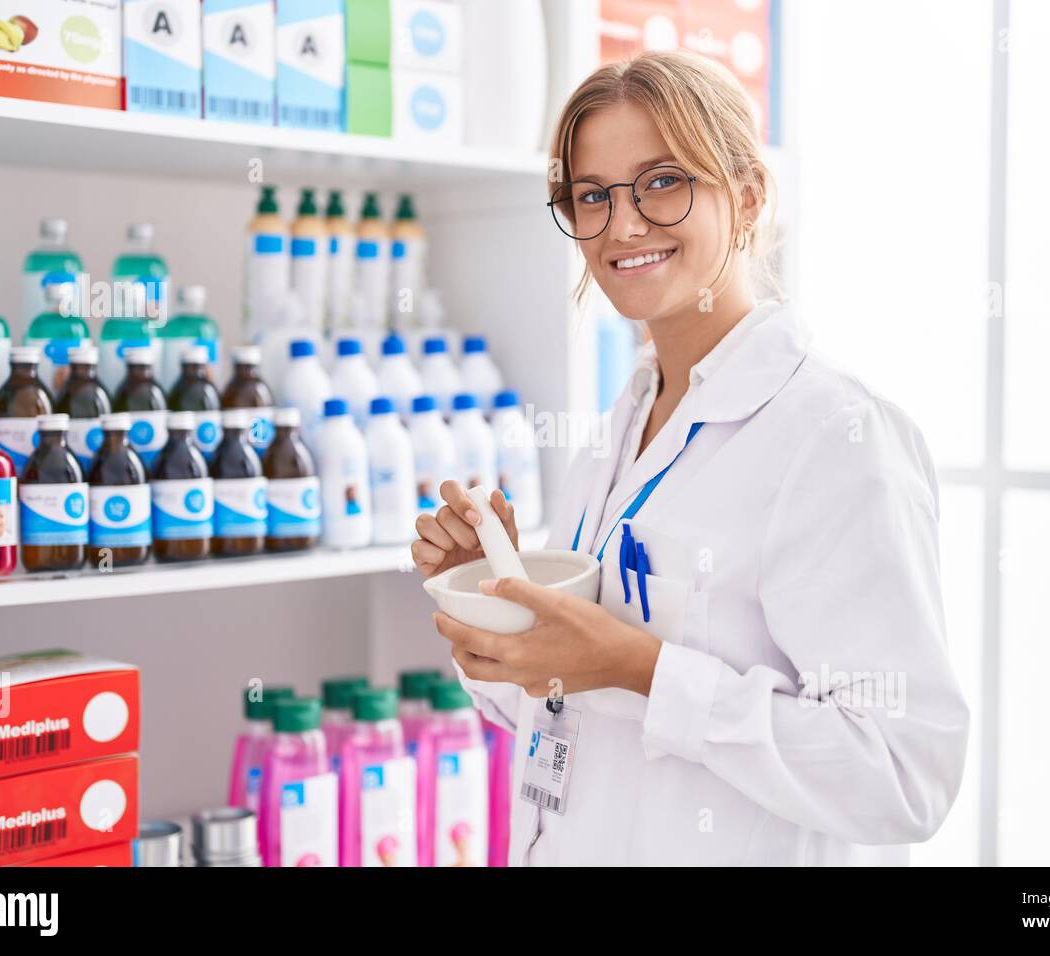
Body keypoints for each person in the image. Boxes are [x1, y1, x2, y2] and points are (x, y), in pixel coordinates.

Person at [412, 51, 969, 866]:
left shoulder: (835, 438)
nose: (623, 224)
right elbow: (563, 719)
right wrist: (498, 609)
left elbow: (903, 773)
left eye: (663, 181)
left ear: (746, 197)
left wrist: (640, 669)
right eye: (592, 195)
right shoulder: (624, 424)